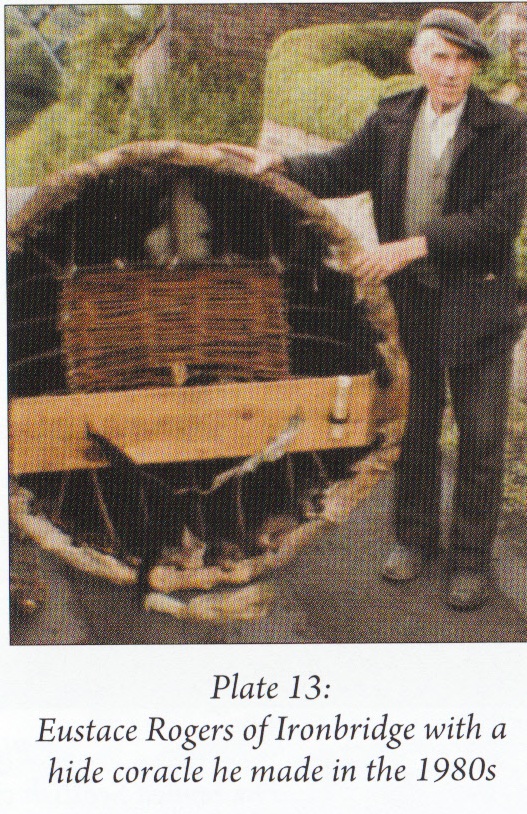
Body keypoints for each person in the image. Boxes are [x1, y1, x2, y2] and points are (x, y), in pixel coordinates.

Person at [217, 8, 527, 610]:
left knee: (482, 439)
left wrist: (410, 247)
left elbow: (499, 220)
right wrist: (279, 165)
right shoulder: (391, 118)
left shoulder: (508, 129)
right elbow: (341, 168)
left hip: (478, 306)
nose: (451, 71)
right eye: (440, 56)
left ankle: (470, 560)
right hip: (412, 306)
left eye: (464, 60)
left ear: (475, 68)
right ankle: (414, 540)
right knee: (415, 428)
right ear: (415, 58)